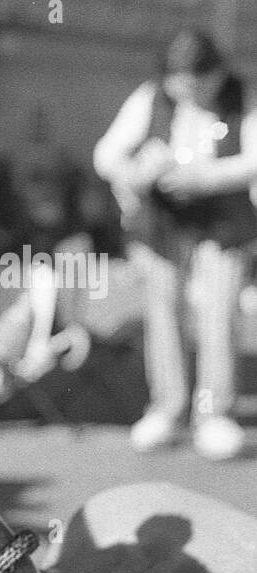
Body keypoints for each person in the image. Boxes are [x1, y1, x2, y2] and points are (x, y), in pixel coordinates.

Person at [94, 30, 257, 460]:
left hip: (222, 224)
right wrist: (135, 172)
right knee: (163, 312)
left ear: (217, 74)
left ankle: (214, 413)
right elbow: (106, 155)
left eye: (198, 83)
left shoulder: (245, 99)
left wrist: (202, 177)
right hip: (163, 225)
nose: (189, 93)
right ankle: (166, 407)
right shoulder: (149, 99)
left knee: (219, 314)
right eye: (179, 83)